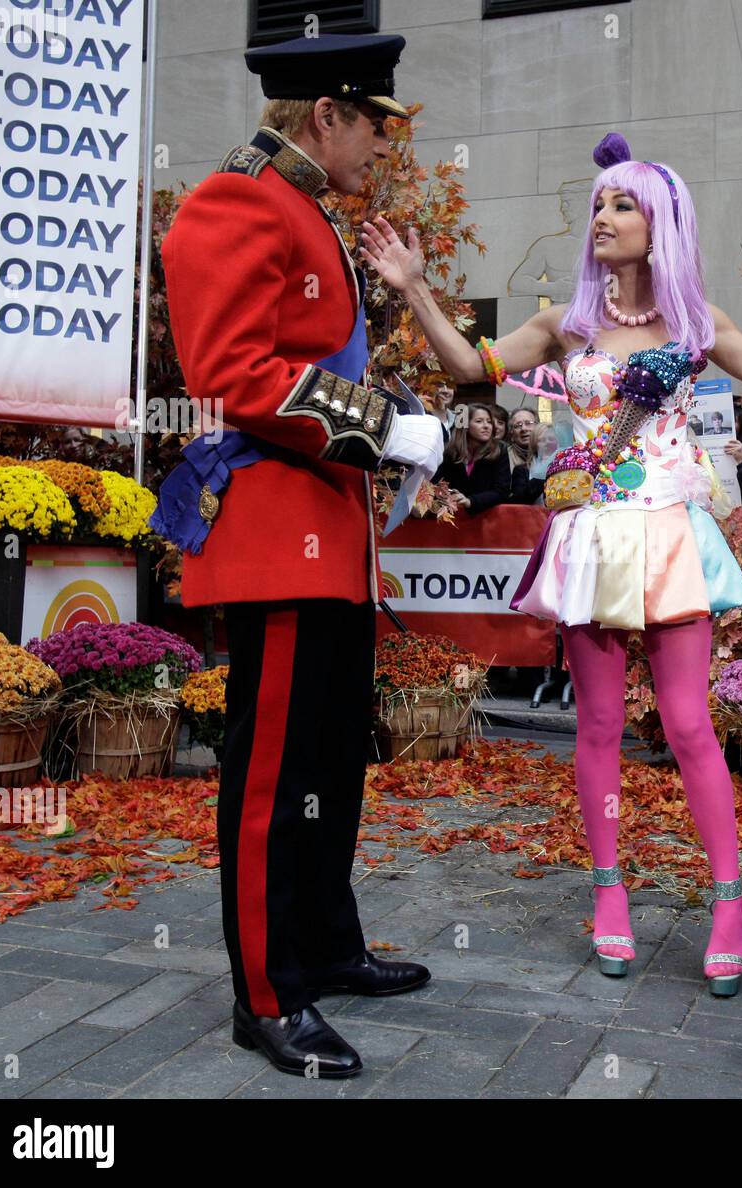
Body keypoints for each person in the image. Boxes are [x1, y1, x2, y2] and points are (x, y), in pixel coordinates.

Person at [361, 130, 742, 997]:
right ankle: (608, 897)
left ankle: (730, 902)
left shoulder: (697, 324)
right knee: (596, 727)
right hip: (592, 541)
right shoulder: (569, 324)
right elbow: (472, 366)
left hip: (671, 536)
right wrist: (414, 292)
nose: (604, 216)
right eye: (599, 205)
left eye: (622, 204)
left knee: (687, 725)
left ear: (661, 220)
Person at [152, 32, 444, 1080]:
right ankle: (265, 996)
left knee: (328, 763)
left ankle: (324, 944)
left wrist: (398, 423)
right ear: (326, 113)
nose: (383, 145)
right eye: (373, 122)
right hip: (279, 538)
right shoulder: (237, 201)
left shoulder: (305, 206)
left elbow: (305, 359)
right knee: (272, 778)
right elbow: (234, 370)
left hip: (330, 536)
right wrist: (380, 424)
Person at [434, 402, 513, 514]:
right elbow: (435, 484)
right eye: (479, 421)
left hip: (486, 519)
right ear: (465, 426)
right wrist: (447, 494)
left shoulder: (499, 450)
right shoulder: (449, 452)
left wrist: (470, 501)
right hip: (453, 517)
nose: (486, 426)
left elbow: (501, 491)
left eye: (489, 422)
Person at [506, 406, 542, 503]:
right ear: (511, 434)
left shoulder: (550, 455)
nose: (524, 429)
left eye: (528, 423)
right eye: (518, 425)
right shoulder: (504, 458)